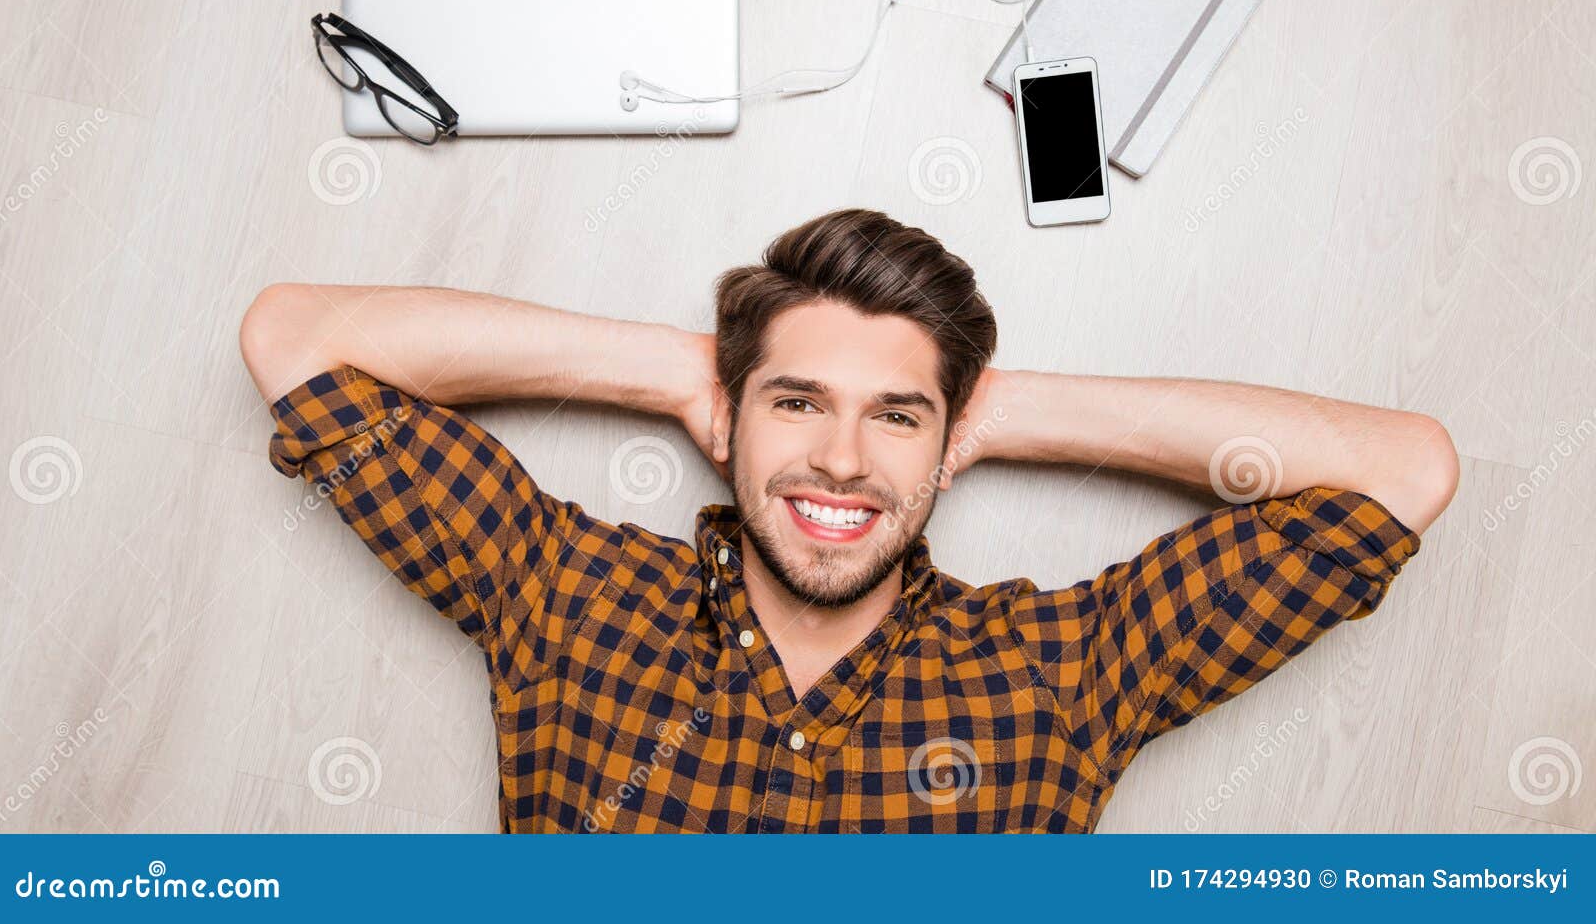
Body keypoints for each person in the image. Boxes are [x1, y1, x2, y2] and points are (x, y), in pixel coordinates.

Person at [239, 208, 1458, 832]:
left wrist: (998, 409)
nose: (839, 458)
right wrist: (681, 375)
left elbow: (1398, 472)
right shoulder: (570, 598)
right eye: (797, 401)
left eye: (894, 417)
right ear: (732, 420)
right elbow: (299, 344)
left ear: (945, 449)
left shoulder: (1063, 671)